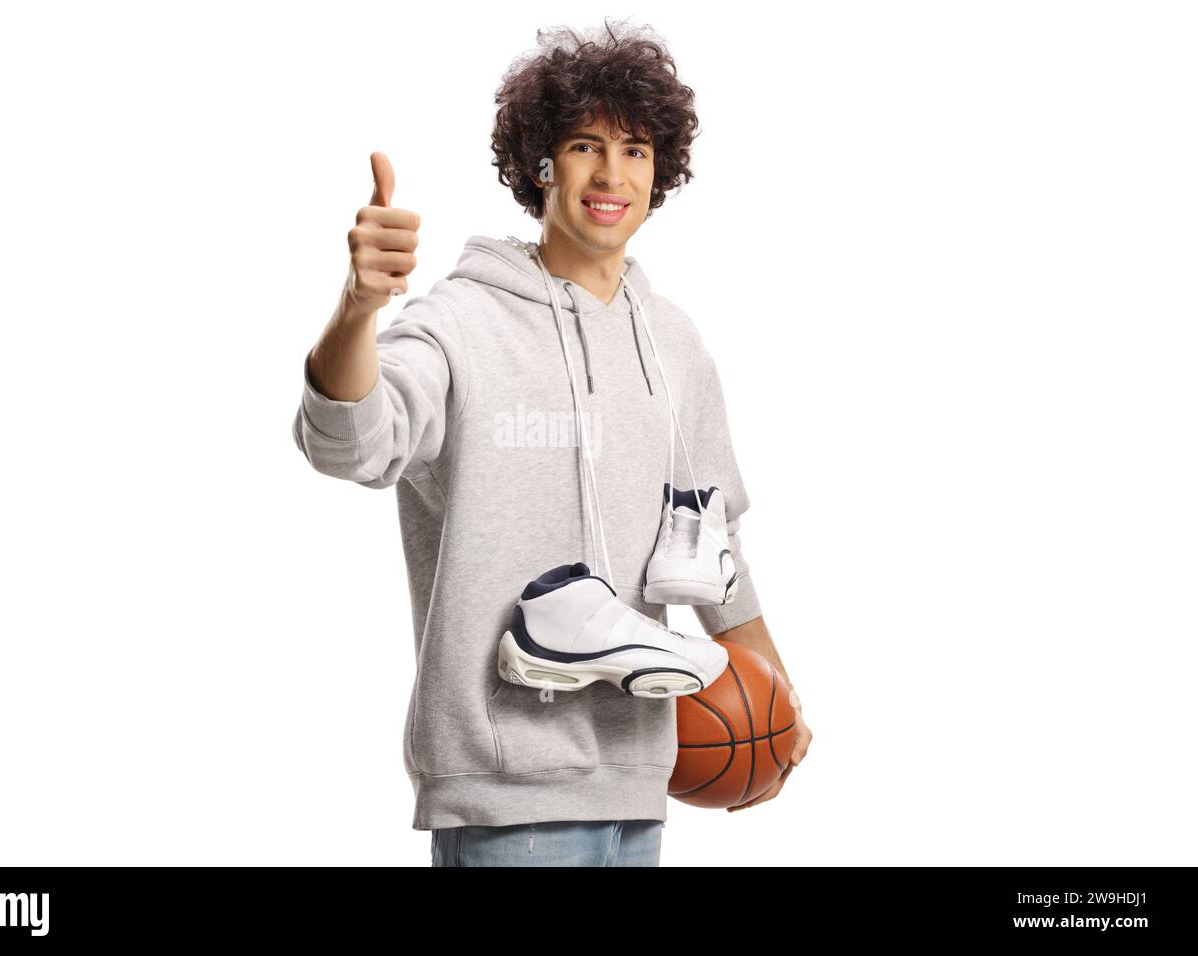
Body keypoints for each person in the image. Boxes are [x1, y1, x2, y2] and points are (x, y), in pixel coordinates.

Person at [292, 19, 811, 867]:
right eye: (584, 146)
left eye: (637, 150)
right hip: (507, 792)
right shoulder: (460, 320)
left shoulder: (673, 341)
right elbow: (350, 442)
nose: (612, 174)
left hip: (644, 775)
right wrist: (357, 309)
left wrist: (773, 695)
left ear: (660, 173)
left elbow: (716, 534)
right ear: (540, 165)